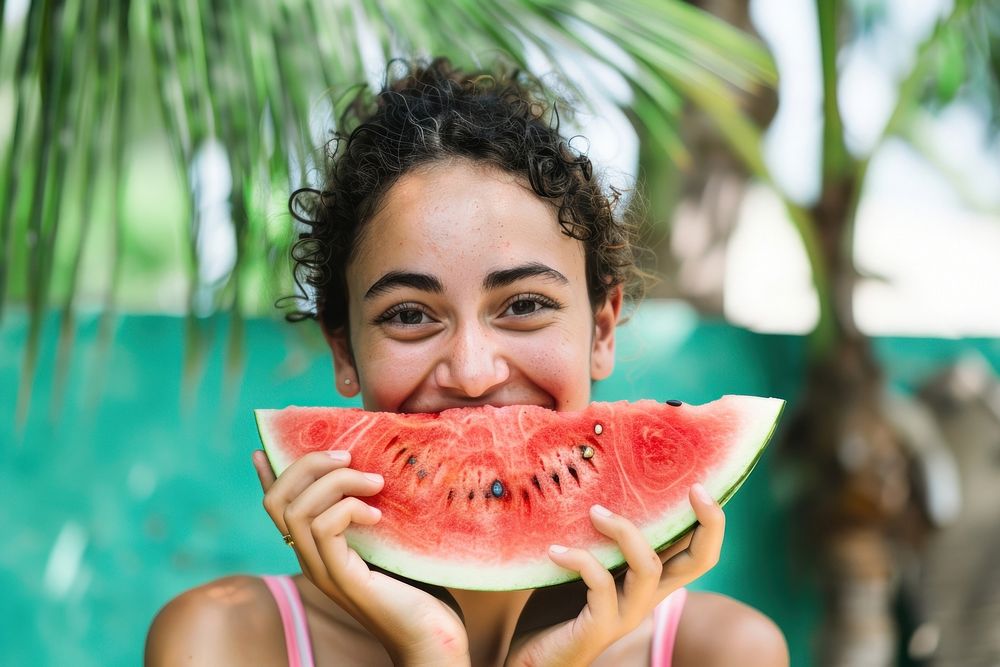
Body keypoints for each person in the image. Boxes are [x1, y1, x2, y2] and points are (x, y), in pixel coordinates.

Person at [146, 57, 789, 666]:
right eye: (408, 314)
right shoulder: (224, 639)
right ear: (344, 349)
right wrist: (428, 653)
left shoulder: (720, 651)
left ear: (600, 329)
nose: (475, 373)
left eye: (525, 304)